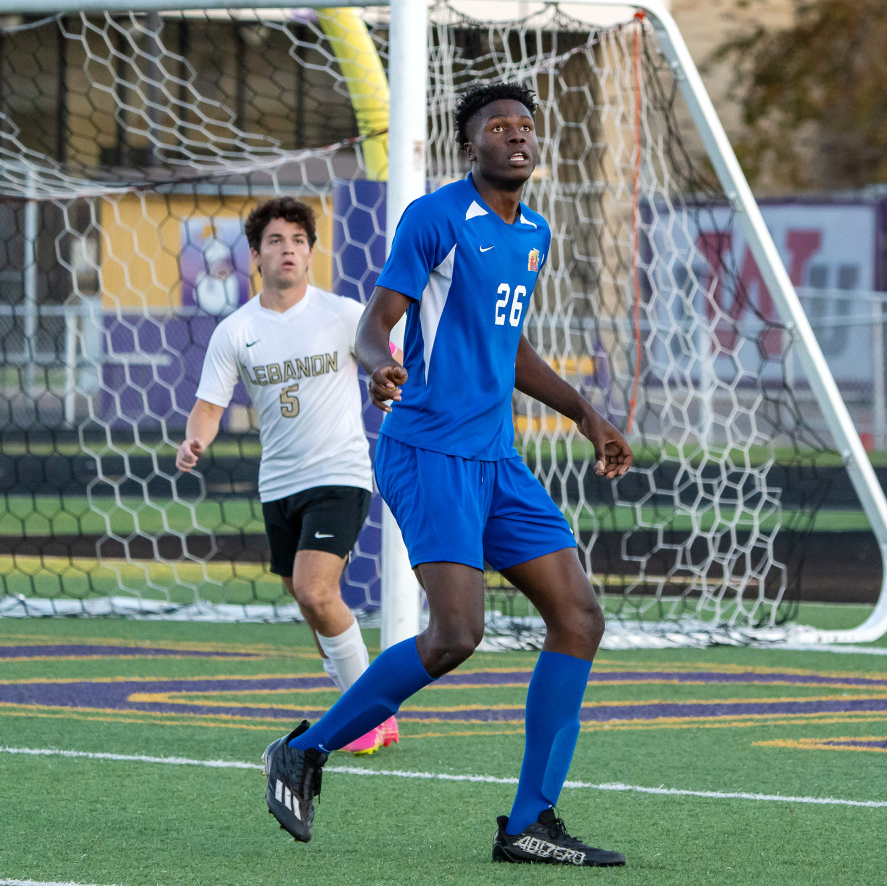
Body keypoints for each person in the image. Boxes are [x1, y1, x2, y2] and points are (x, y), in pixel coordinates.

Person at [263, 83, 632, 866]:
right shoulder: (434, 218)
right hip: (427, 451)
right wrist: (377, 368)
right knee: (457, 634)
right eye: (499, 127)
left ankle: (531, 822)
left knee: (580, 618)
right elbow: (375, 324)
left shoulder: (534, 231)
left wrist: (586, 414)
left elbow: (510, 347)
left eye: (526, 127)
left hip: (496, 458)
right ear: (472, 147)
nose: (516, 137)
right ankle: (306, 750)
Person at [177, 196, 398, 755]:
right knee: (309, 603)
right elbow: (210, 403)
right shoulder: (236, 331)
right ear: (255, 255)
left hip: (341, 474)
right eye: (276, 241)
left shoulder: (344, 313)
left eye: (299, 241)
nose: (289, 250)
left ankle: (365, 719)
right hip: (279, 485)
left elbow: (389, 359)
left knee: (315, 589)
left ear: (311, 253)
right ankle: (372, 707)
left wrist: (397, 382)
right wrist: (196, 437)